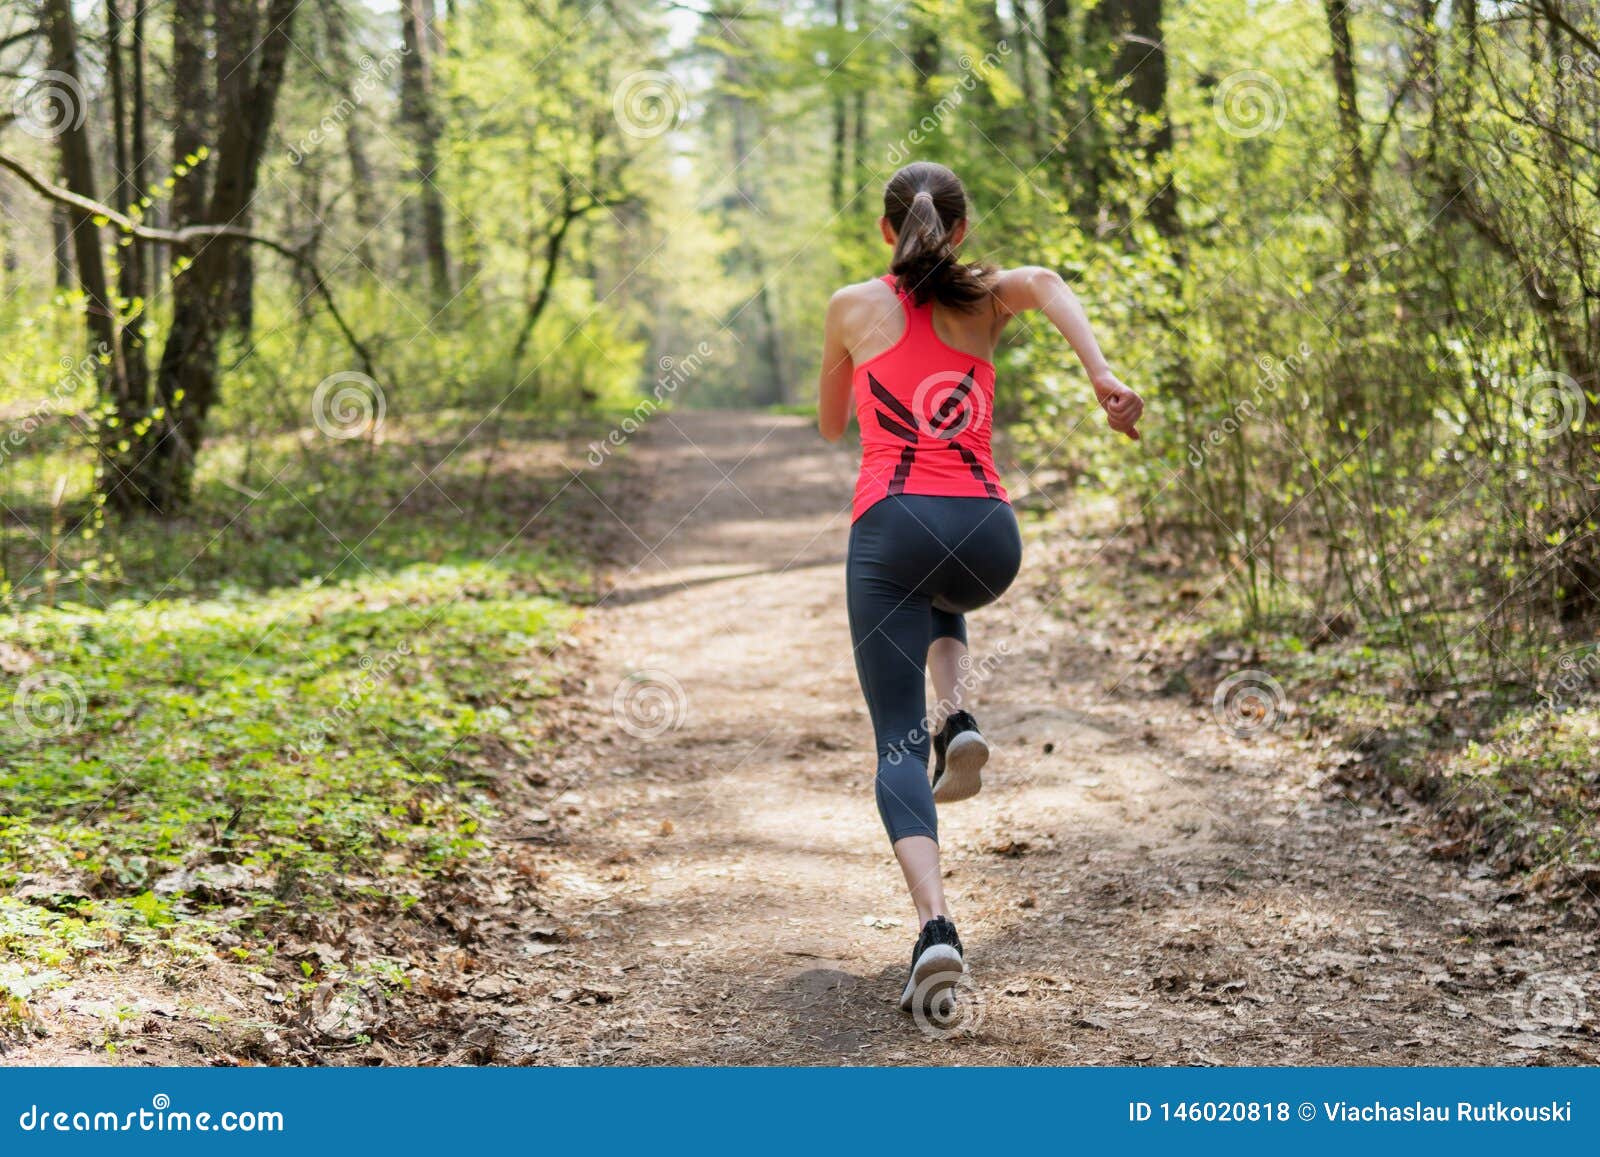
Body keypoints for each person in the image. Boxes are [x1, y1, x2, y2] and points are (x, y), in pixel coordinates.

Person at [815, 160, 1144, 1016]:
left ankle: (936, 928)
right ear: (958, 229)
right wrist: (1100, 375)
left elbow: (828, 424)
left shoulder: (852, 306)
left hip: (890, 528)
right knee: (941, 574)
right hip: (990, 540)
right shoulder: (987, 296)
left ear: (889, 231)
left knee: (895, 741)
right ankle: (956, 715)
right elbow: (1045, 281)